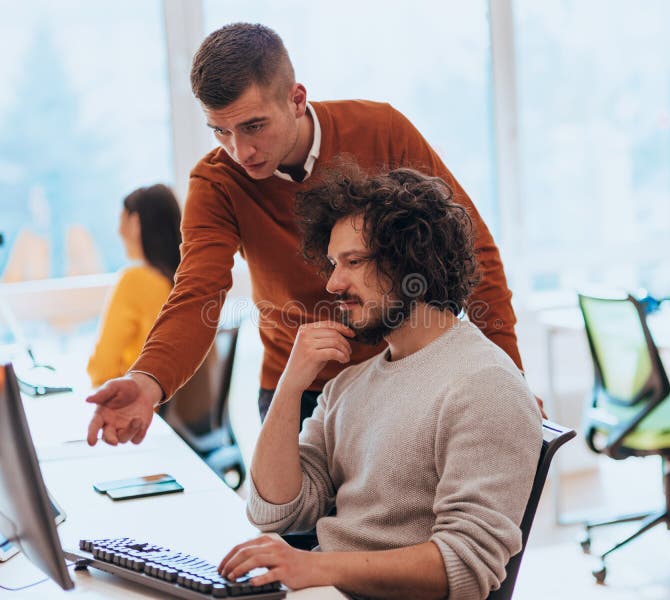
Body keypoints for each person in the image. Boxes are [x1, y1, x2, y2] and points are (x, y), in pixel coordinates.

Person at [85, 22, 542, 448]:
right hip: (299, 391)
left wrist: (507, 378)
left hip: (405, 381)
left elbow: (473, 250)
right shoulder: (216, 182)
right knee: (289, 536)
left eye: (253, 126)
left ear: (297, 99)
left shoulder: (381, 131)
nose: (239, 150)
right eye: (220, 131)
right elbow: (196, 293)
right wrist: (148, 381)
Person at [217, 166, 542, 600]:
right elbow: (275, 512)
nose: (334, 283)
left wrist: (313, 566)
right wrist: (290, 387)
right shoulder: (349, 385)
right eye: (334, 264)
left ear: (413, 261)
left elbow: (464, 564)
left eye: (353, 262)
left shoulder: (484, 386)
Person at [87, 184, 216, 429]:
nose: (118, 230)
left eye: (121, 220)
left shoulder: (134, 280)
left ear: (135, 223)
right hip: (192, 424)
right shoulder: (189, 285)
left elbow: (100, 371)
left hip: (142, 417)